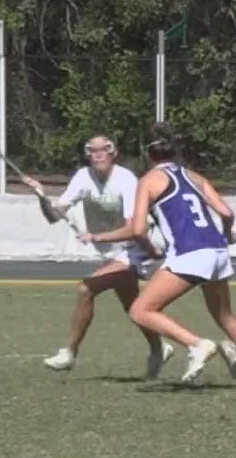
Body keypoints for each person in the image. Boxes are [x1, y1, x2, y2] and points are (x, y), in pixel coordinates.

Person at [80, 123, 236, 387]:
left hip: (190, 253)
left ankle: (197, 344)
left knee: (141, 310)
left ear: (146, 153)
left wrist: (149, 250)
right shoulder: (193, 176)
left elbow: (138, 230)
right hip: (217, 250)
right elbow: (226, 213)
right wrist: (226, 234)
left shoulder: (148, 181)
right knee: (226, 316)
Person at [22, 134, 171, 377]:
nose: (98, 154)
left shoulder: (126, 180)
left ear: (114, 153)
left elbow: (133, 229)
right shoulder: (83, 177)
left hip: (136, 247)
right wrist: (41, 196)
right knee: (134, 307)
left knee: (86, 289)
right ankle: (159, 347)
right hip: (113, 251)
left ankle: (70, 352)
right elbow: (54, 216)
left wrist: (96, 237)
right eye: (92, 150)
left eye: (104, 149)